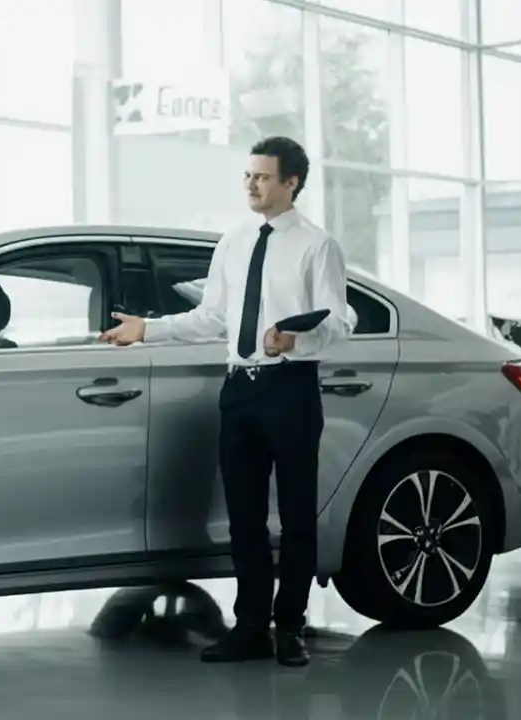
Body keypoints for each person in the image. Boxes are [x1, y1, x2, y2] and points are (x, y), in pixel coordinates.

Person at [101, 136, 352, 668]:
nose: (252, 184)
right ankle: (251, 627)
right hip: (240, 390)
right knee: (244, 518)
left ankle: (290, 627)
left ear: (292, 183)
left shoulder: (316, 245)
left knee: (298, 517)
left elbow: (340, 320)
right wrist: (146, 329)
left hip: (291, 388)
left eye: (263, 176)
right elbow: (212, 317)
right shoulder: (234, 241)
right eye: (248, 175)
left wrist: (297, 341)